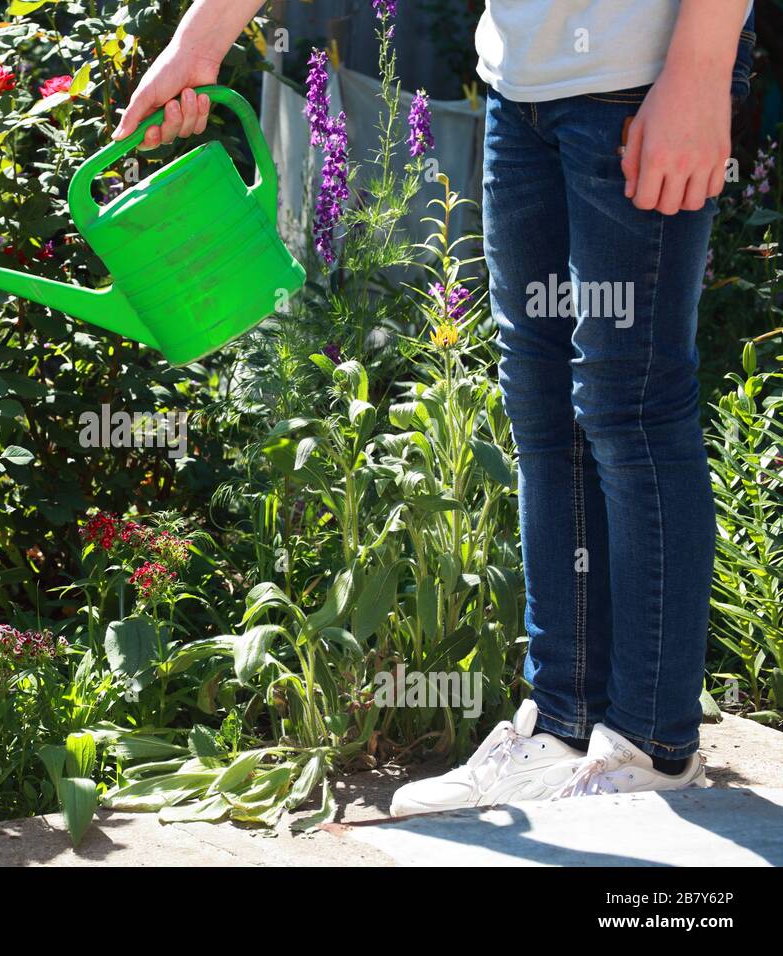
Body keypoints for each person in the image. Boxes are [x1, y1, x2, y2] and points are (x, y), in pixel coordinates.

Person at [114, 0, 756, 814]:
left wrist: (699, 66)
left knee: (628, 405)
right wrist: (198, 41)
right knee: (543, 411)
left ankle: (650, 746)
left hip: (642, 77)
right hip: (519, 82)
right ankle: (563, 725)